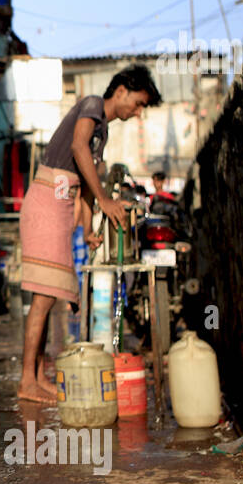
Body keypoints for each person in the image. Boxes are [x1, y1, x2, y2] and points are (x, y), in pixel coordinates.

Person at [18, 64, 159, 402]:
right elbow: (79, 148)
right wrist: (106, 200)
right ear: (122, 90)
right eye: (139, 104)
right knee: (43, 296)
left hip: (62, 206)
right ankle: (26, 382)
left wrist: (86, 229)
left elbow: (83, 183)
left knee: (48, 295)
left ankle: (37, 377)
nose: (138, 112)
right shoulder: (93, 104)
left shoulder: (103, 131)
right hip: (46, 203)